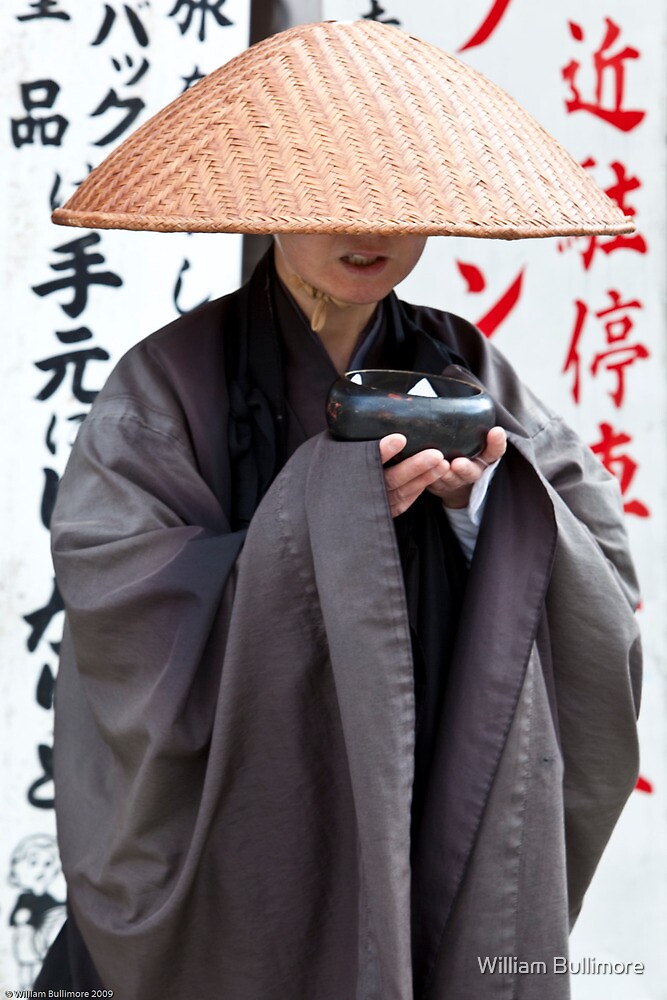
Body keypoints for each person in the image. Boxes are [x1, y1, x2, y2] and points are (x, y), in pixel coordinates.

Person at [36, 19, 641, 1000]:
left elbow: (597, 569)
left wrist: (484, 499)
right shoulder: (169, 381)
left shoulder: (467, 365)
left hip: (427, 795)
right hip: (251, 838)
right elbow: (121, 605)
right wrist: (324, 510)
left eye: (398, 199)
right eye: (330, 197)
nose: (368, 227)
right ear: (270, 203)